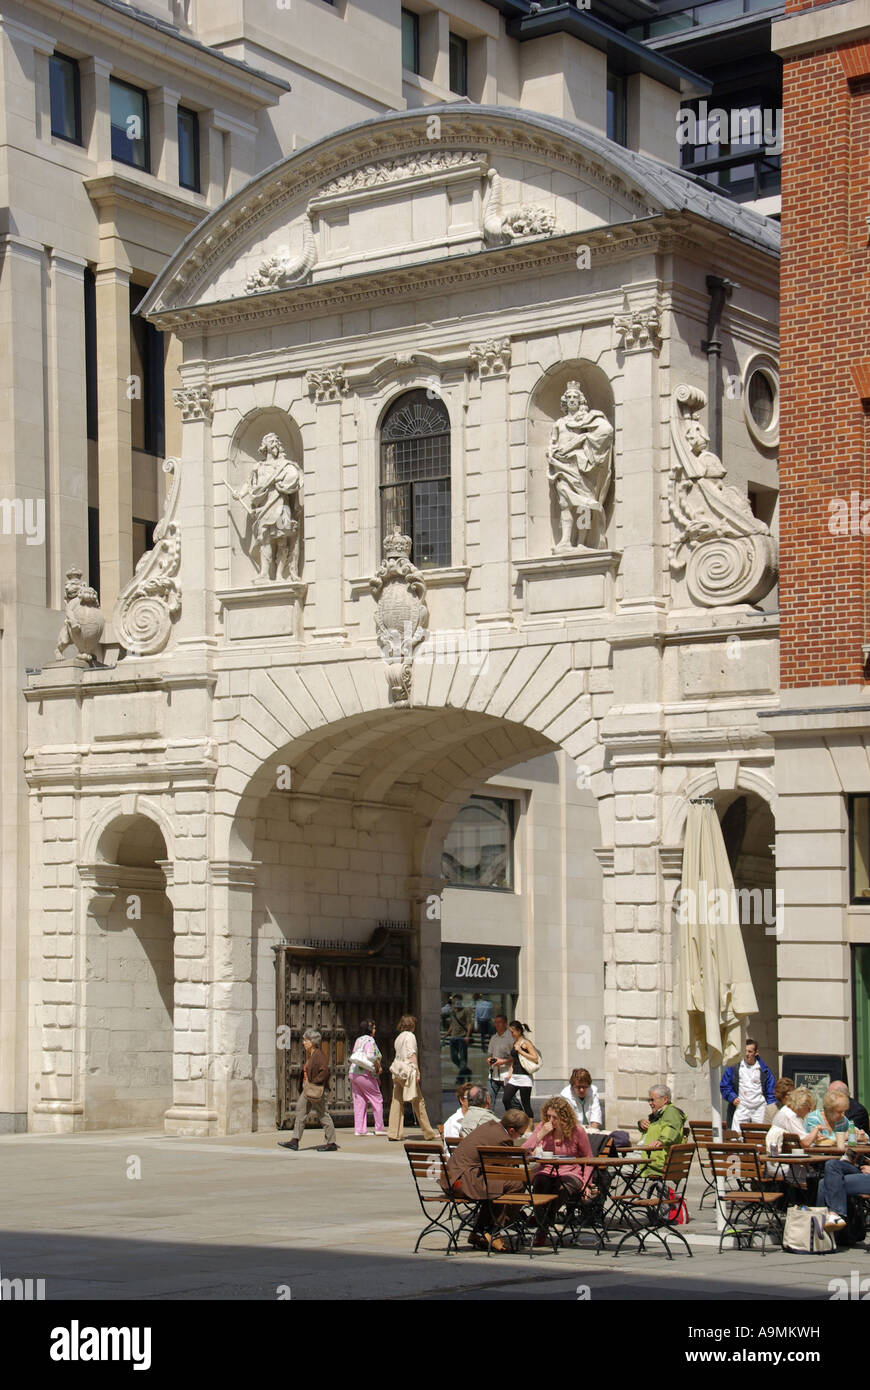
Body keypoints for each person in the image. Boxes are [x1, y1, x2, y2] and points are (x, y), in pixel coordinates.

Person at [442, 1108, 532, 1250]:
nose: (519, 1136)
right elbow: (506, 1170)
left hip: (452, 1179)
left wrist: (516, 1153)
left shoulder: (489, 1126)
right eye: (520, 1134)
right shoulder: (504, 1138)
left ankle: (478, 1232)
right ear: (511, 1130)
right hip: (464, 1182)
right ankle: (494, 1230)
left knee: (497, 1186)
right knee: (517, 1184)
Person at [280, 1028, 338, 1152]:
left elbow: (325, 1072)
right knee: (300, 1112)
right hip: (308, 1089)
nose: (303, 1042)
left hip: (315, 1090)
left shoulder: (319, 1055)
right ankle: (294, 1141)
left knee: (322, 1114)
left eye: (306, 1040)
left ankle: (331, 1142)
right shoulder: (311, 1055)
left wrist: (314, 1082)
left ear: (312, 1042)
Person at [523, 1096, 593, 1197]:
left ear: (564, 1118)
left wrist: (587, 1183)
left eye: (555, 1117)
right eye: (548, 1116)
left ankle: (549, 1213)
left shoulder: (577, 1131)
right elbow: (524, 1150)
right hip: (546, 1171)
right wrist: (540, 1135)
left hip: (570, 1172)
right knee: (540, 1184)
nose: (550, 1120)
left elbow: (588, 1158)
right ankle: (542, 1213)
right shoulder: (543, 1126)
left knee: (561, 1189)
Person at [387, 1014, 439, 1141]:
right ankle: (428, 1132)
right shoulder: (410, 1036)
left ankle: (394, 1133)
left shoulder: (398, 1037)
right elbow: (412, 1054)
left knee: (397, 1101)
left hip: (397, 1071)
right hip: (408, 1071)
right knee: (418, 1101)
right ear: (412, 1025)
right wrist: (417, 1071)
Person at [719, 1038, 775, 1132]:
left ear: (756, 1053)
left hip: (759, 1107)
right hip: (742, 1106)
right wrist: (732, 1097)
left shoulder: (763, 1070)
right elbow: (725, 1085)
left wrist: (771, 1107)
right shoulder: (735, 1067)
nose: (747, 1054)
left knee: (760, 1136)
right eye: (745, 1051)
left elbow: (771, 1090)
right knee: (736, 1135)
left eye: (750, 1051)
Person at [637, 1084, 687, 1179]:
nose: (650, 1103)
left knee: (610, 1166)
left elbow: (671, 1128)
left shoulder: (671, 1112)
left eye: (652, 1100)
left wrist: (661, 1141)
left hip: (653, 1162)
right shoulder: (658, 1114)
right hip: (647, 1157)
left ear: (665, 1099)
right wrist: (640, 1124)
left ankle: (602, 1192)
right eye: (649, 1100)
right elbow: (653, 1130)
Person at [348, 1018, 387, 1136]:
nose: (375, 1030)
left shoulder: (358, 1040)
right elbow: (371, 1056)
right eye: (374, 1028)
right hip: (364, 1073)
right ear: (370, 1029)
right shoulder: (370, 1040)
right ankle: (379, 1127)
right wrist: (378, 1067)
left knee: (359, 1101)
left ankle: (359, 1129)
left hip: (353, 1072)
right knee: (377, 1098)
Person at [818, 1153, 870, 1232]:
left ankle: (825, 1223)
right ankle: (833, 1219)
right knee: (832, 1164)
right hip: (862, 1168)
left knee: (824, 1183)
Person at [502, 1020, 539, 1117]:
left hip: (525, 1077)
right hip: (514, 1077)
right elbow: (515, 1060)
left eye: (512, 1032)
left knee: (526, 1105)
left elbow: (535, 1058)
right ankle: (512, 1119)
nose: (511, 1034)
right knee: (506, 1099)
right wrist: (509, 1074)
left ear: (518, 1031)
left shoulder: (526, 1043)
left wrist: (521, 1051)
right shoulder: (515, 1043)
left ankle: (529, 1128)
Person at [443, 994, 473, 1084]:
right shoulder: (453, 1012)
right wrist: (447, 1034)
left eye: (457, 1002)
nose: (455, 1003)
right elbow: (452, 1024)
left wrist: (467, 1036)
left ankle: (460, 1079)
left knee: (463, 1058)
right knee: (454, 1057)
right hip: (453, 1037)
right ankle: (467, 1071)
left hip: (462, 1037)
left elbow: (469, 1024)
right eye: (454, 1002)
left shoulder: (465, 1011)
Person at [487, 1015, 513, 1108]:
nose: (497, 1025)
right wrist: (489, 1060)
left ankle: (518, 1117)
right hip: (493, 1074)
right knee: (489, 1099)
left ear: (505, 1023)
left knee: (510, 1100)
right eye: (496, 1022)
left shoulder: (511, 1038)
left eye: (499, 1022)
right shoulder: (494, 1038)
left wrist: (502, 1061)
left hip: (506, 1075)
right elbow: (490, 1055)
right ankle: (489, 1120)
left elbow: (516, 1058)